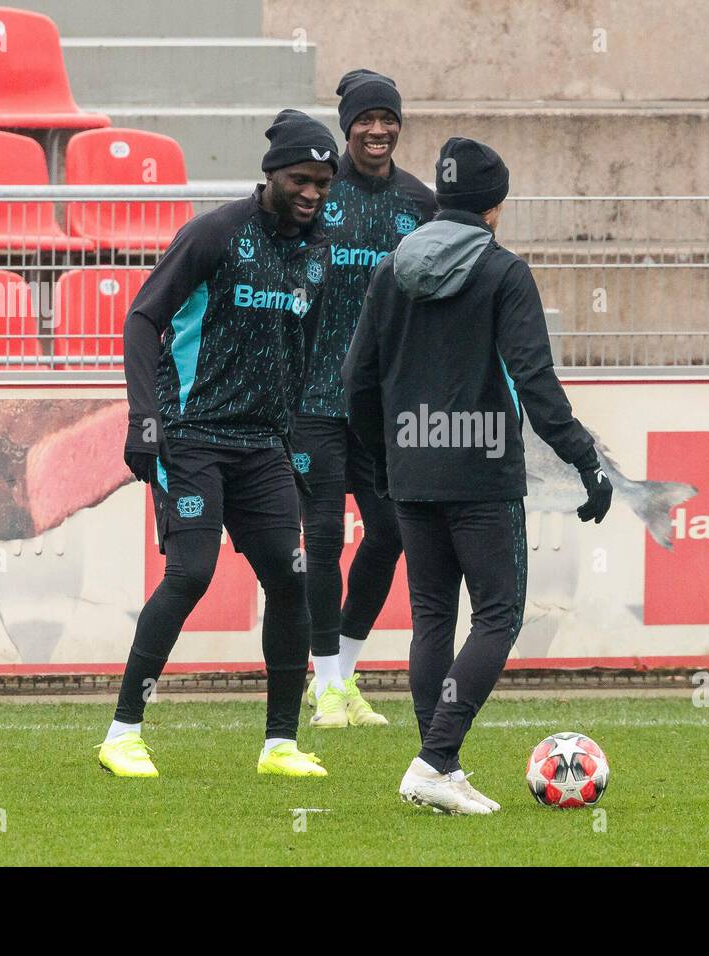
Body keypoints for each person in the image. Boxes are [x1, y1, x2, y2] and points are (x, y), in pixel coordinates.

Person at [343, 137, 613, 813]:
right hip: (481, 470)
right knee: (497, 616)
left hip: (411, 467)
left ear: (439, 198)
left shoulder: (390, 270)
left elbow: (356, 382)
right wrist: (585, 460)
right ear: (495, 207)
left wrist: (383, 459)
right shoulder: (503, 273)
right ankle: (434, 760)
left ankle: (442, 764)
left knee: (432, 617)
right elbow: (536, 383)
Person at [98, 109, 339, 779]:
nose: (312, 193)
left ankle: (280, 745)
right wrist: (145, 420)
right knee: (191, 575)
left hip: (263, 443)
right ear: (271, 174)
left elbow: (305, 349)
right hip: (192, 435)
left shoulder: (318, 250)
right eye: (301, 178)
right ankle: (123, 732)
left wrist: (296, 436)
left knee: (291, 581)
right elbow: (143, 319)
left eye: (323, 182)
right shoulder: (213, 234)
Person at [294, 69, 437, 730]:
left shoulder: (420, 204)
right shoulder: (317, 194)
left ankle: (343, 677)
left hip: (382, 407)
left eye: (387, 118)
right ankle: (322, 683)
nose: (377, 130)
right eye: (365, 120)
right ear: (347, 126)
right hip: (314, 398)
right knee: (321, 537)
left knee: (388, 533)